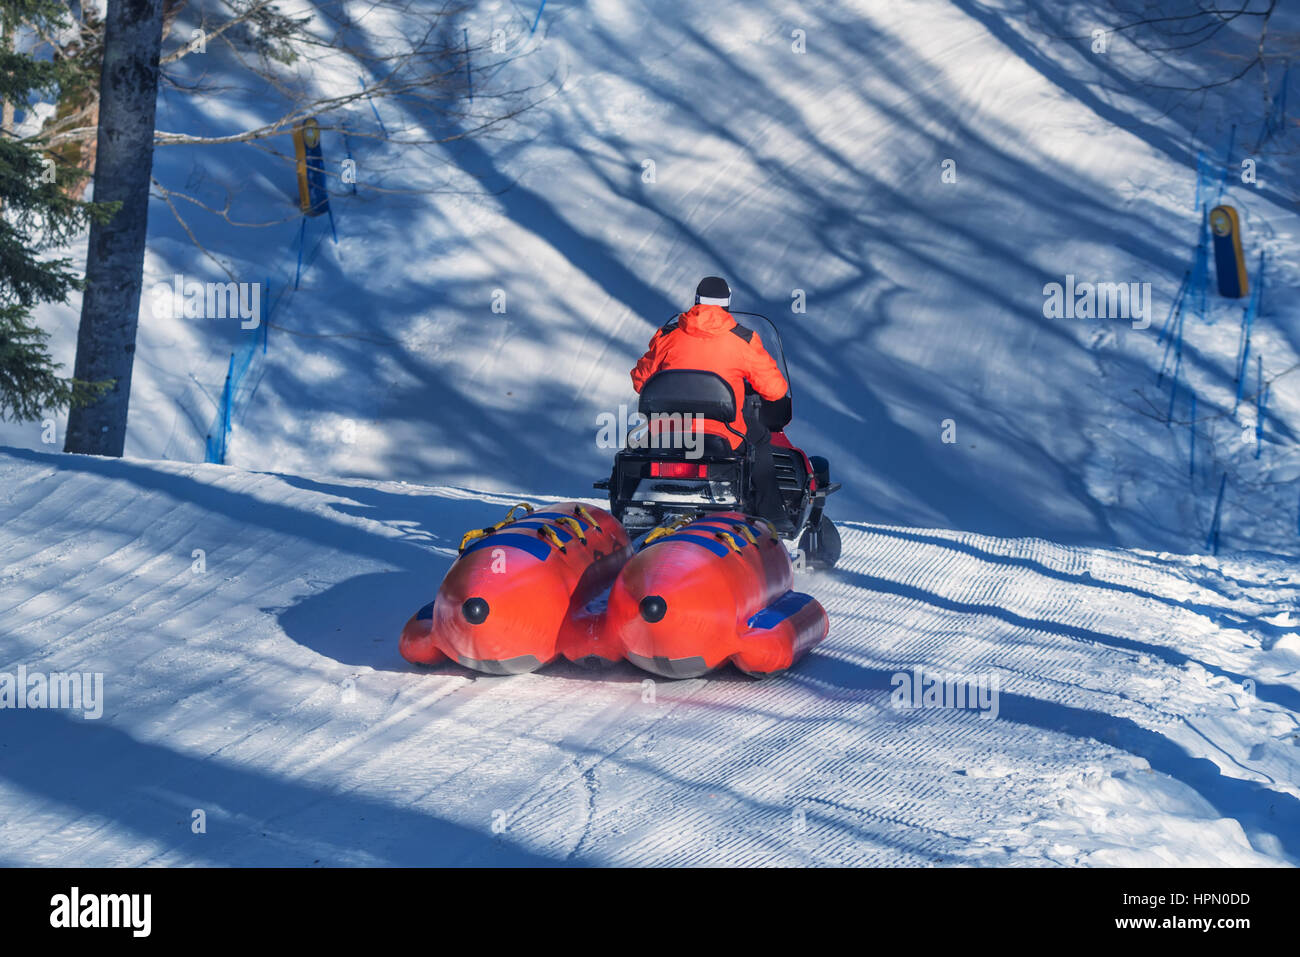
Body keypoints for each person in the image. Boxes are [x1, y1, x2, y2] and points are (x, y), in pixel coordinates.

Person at [630, 276, 792, 531]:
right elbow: (776, 389)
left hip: (667, 433)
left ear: (696, 302)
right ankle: (773, 518)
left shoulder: (669, 335)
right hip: (723, 435)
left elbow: (640, 381)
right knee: (760, 438)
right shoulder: (743, 339)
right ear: (727, 304)